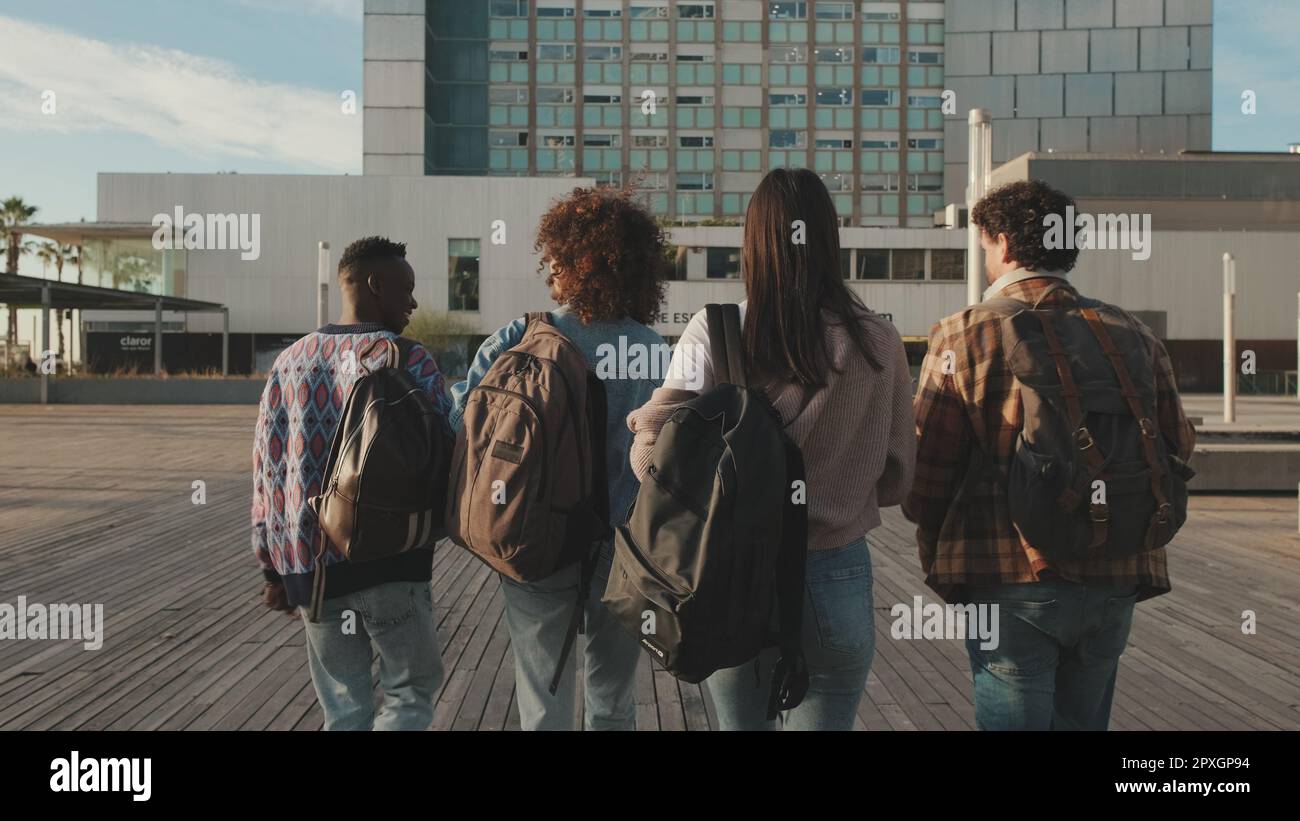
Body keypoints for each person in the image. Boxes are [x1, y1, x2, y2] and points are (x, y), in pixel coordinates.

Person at [627, 168, 916, 730]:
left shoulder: (715, 332)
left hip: (734, 577)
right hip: (836, 573)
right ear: (829, 238)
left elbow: (649, 464)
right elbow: (898, 477)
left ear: (752, 241)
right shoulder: (878, 341)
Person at [903, 180, 1196, 731]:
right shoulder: (1132, 333)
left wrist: (940, 551)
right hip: (1118, 569)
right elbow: (1179, 445)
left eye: (985, 244)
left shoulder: (964, 334)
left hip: (1009, 574)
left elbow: (928, 471)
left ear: (1005, 244)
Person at [449, 186, 670, 730]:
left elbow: (460, 427)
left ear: (580, 260)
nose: (548, 267)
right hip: (628, 550)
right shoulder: (657, 351)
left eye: (555, 256)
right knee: (612, 701)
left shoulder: (519, 337)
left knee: (542, 698)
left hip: (534, 538)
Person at [251, 236, 452, 731]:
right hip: (393, 557)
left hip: (313, 568)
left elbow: (267, 473)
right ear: (374, 284)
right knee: (410, 692)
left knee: (343, 708)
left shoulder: (289, 362)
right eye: (406, 289)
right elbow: (450, 445)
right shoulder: (407, 358)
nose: (413, 302)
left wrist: (273, 570)